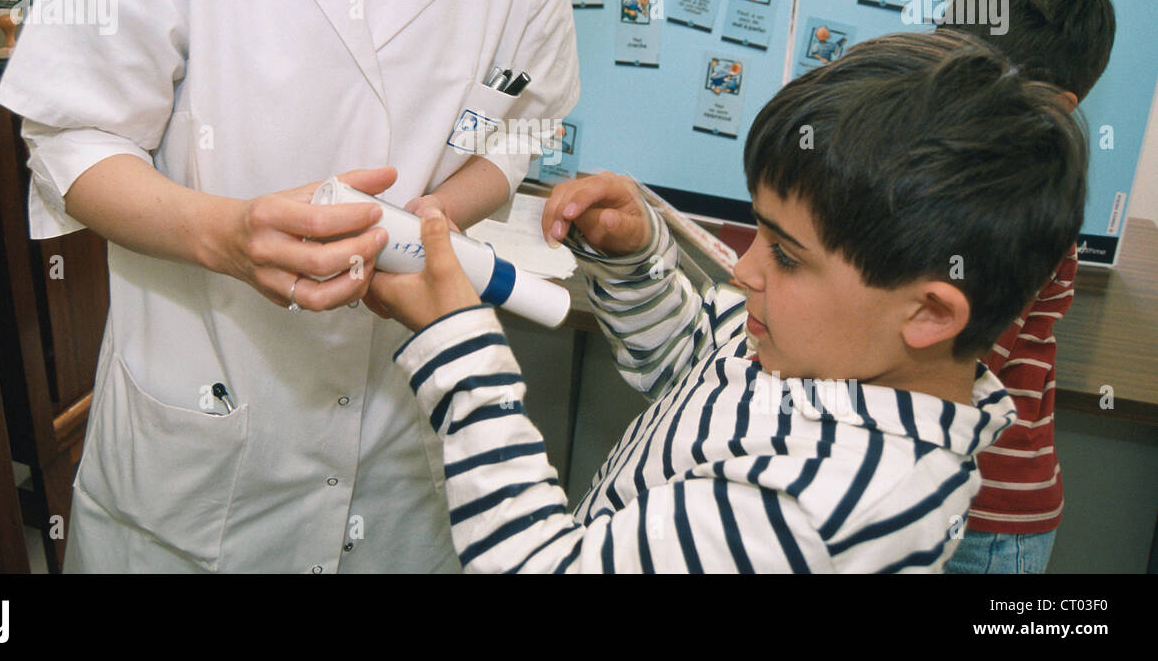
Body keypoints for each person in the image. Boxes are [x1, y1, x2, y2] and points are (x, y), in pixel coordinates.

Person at [0, 0, 638, 572]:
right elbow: (76, 139)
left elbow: (508, 133)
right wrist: (226, 235)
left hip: (403, 461)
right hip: (201, 460)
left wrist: (434, 219)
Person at [367, 31, 1088, 572]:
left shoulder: (818, 503)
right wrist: (635, 261)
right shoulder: (828, 357)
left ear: (929, 313)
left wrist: (461, 355)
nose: (744, 272)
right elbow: (696, 370)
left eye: (785, 253)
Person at [937, 0, 1116, 574]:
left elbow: (957, 360)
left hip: (986, 525)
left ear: (1054, 107)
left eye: (975, 80)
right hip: (933, 498)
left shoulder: (1024, 212)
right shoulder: (953, 184)